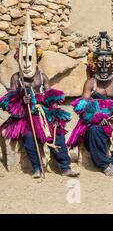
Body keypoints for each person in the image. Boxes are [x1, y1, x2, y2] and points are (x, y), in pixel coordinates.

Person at [0, 15, 78, 178]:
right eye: (23, 59)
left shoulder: (42, 77)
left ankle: (65, 167)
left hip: (43, 113)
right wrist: (21, 100)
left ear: (37, 58)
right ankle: (36, 168)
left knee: (57, 134)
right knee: (29, 137)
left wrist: (53, 109)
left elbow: (50, 95)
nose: (27, 63)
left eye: (30, 58)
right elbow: (10, 99)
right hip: (25, 115)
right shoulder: (16, 77)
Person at [67, 32, 113, 176]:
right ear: (95, 65)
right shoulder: (90, 83)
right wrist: (96, 114)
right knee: (94, 131)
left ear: (112, 64)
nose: (104, 67)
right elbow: (82, 105)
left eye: (108, 64)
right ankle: (103, 164)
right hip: (95, 120)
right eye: (101, 64)